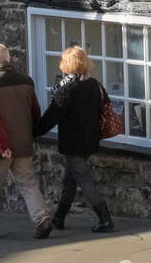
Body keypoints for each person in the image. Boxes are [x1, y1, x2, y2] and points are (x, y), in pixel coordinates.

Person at [0, 44, 53, 240]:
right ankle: (42, 218)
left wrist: (2, 146)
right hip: (23, 142)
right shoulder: (26, 81)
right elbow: (35, 111)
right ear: (8, 60)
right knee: (28, 184)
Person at [34, 46, 114, 233]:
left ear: (67, 65)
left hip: (74, 142)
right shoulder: (95, 85)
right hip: (91, 140)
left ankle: (105, 219)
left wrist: (34, 131)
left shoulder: (67, 89)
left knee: (84, 180)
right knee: (69, 180)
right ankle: (59, 218)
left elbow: (52, 116)